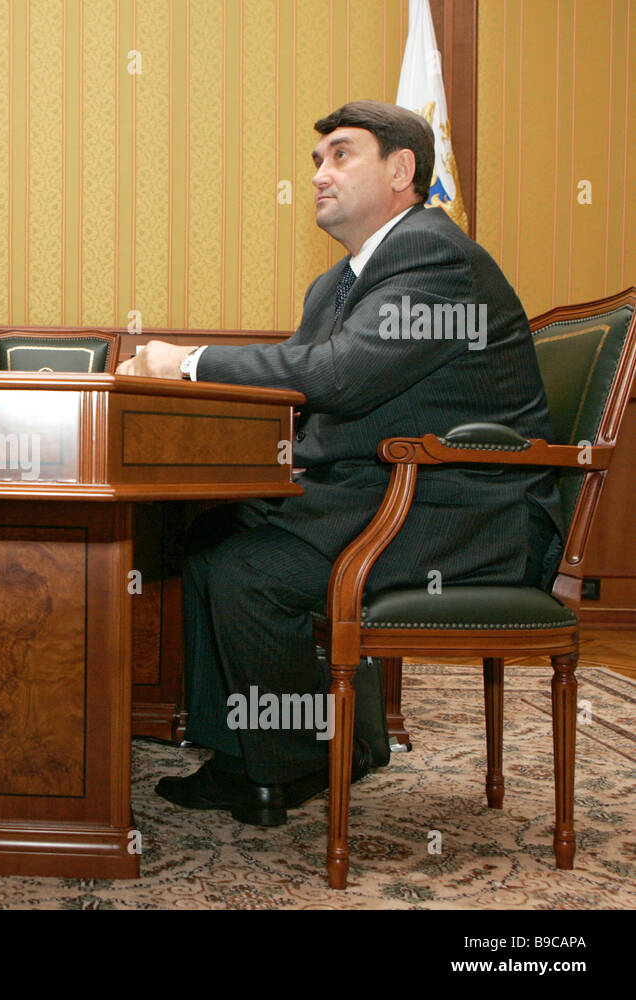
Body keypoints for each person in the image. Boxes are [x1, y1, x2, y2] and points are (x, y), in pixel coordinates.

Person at [117, 100, 564, 826]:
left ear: (402, 170)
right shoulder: (338, 283)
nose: (320, 175)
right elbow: (311, 390)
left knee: (247, 571)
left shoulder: (432, 252)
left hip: (464, 512)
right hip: (383, 491)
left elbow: (339, 375)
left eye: (340, 155)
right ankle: (250, 750)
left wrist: (190, 361)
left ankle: (306, 758)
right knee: (205, 537)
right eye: (316, 162)